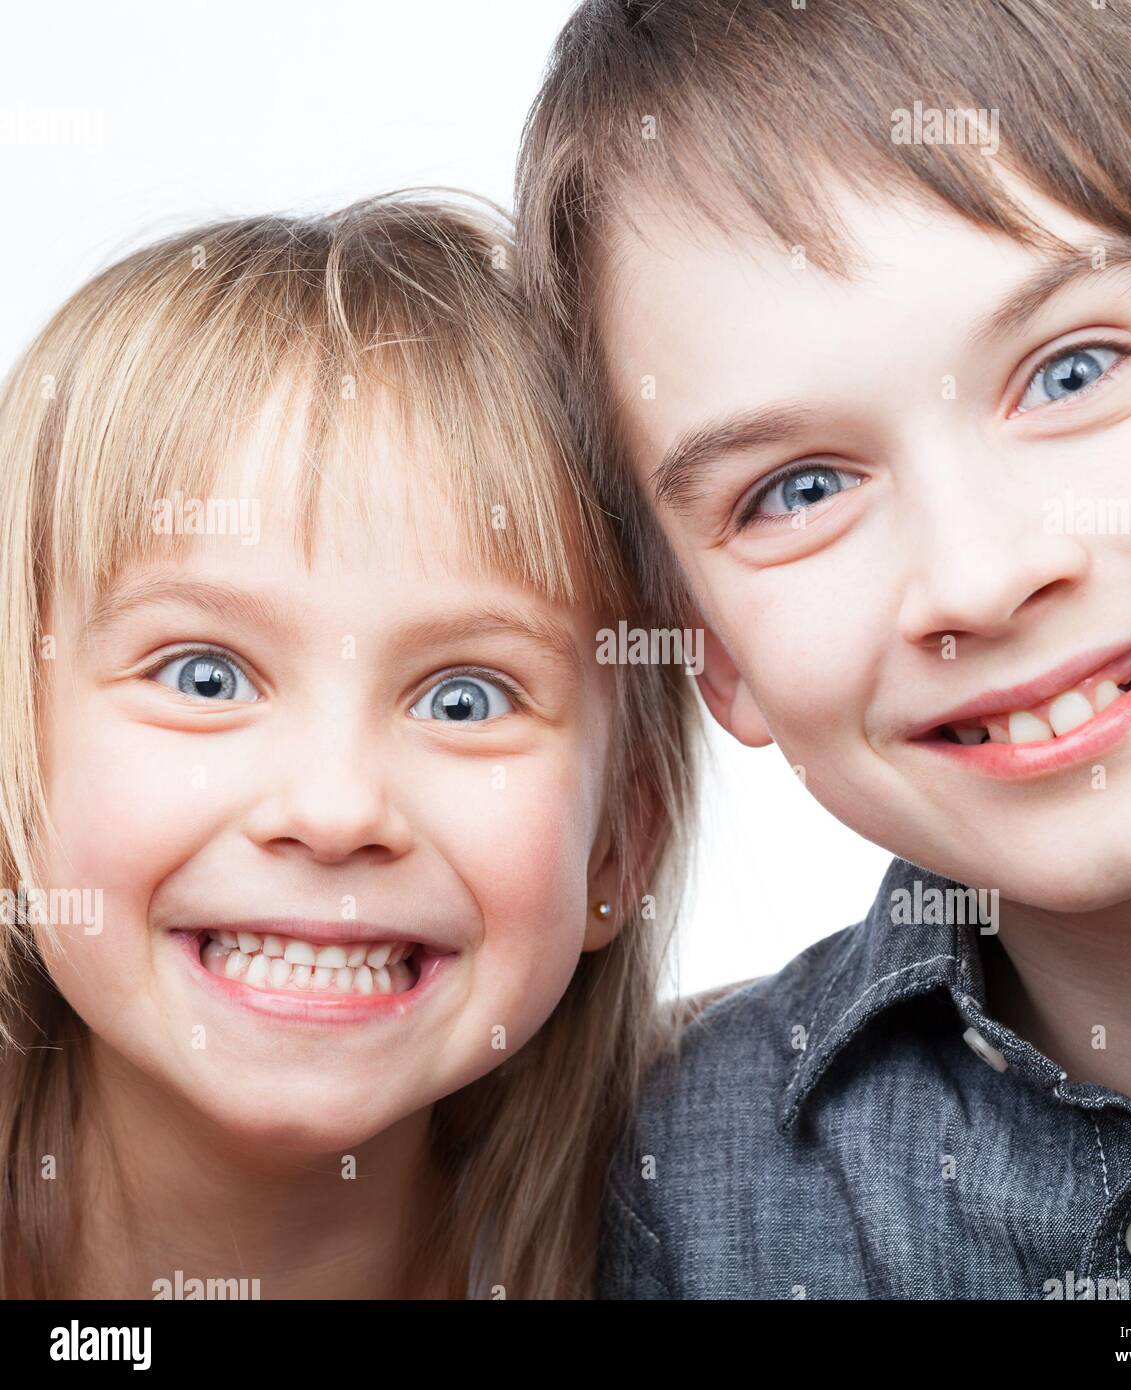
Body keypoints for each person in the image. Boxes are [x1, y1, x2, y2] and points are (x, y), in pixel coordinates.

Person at [516, 0, 1131, 1297]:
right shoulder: (663, 1196)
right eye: (801, 491)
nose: (981, 577)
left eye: (1073, 370)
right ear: (709, 647)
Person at [0, 192, 696, 1298]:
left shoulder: (761, 1216)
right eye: (205, 676)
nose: (332, 810)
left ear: (621, 842)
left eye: (465, 699)